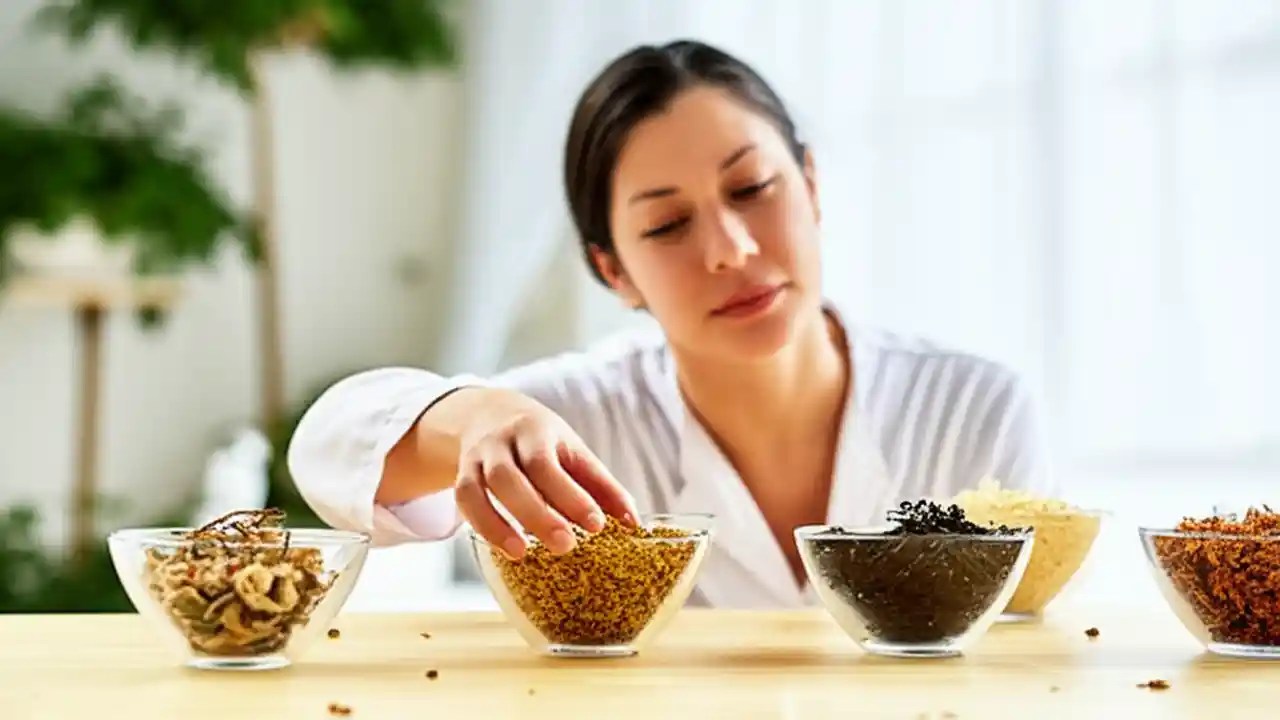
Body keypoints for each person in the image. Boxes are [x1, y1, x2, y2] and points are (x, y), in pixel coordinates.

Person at [287, 40, 1054, 609]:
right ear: (613, 270)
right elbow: (327, 451)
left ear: (811, 185)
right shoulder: (577, 418)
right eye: (667, 226)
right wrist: (473, 413)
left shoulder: (973, 410)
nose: (731, 249)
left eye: (753, 187)